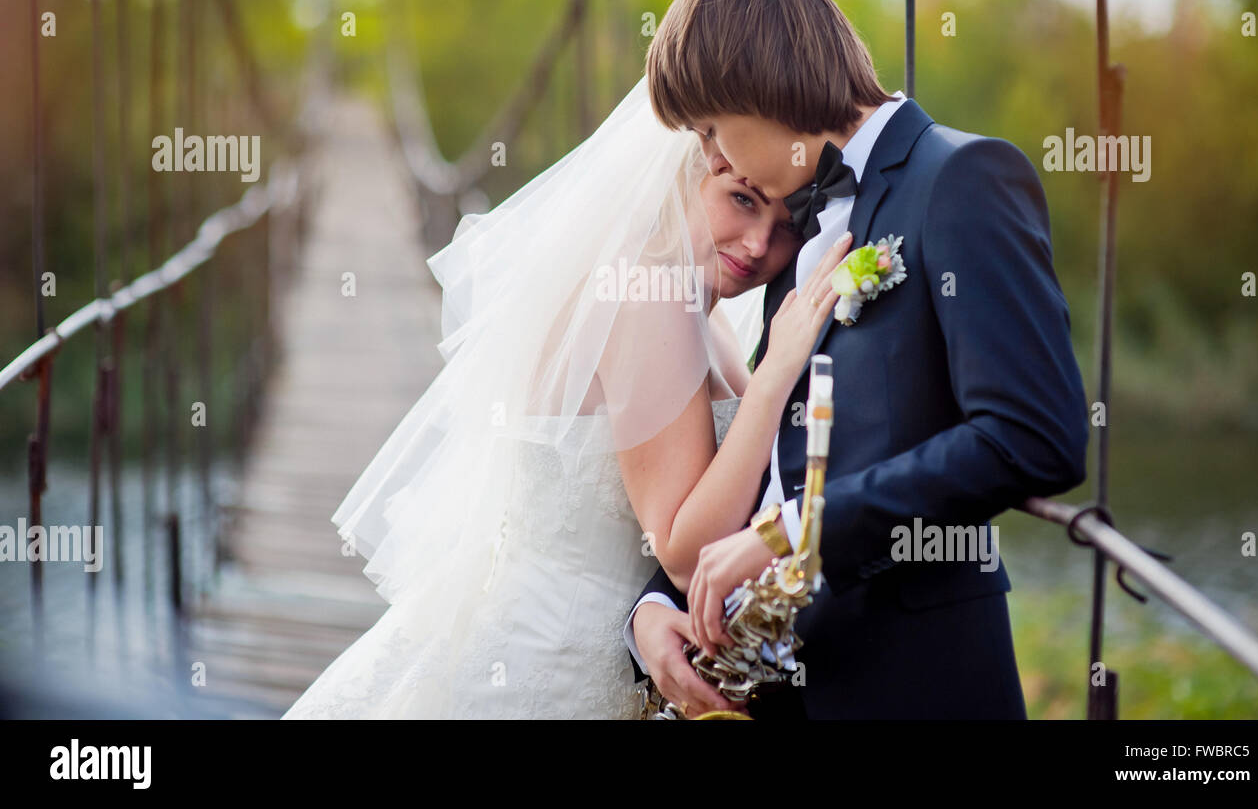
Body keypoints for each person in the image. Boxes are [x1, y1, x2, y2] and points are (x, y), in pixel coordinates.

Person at [282, 75, 845, 718]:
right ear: (686, 169)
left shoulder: (696, 311)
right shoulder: (648, 299)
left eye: (787, 223)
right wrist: (776, 373)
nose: (758, 245)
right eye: (742, 200)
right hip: (550, 670)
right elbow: (686, 554)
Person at [627, 0, 1090, 719]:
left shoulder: (963, 179)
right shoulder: (796, 231)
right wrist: (647, 612)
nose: (710, 157)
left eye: (712, 129)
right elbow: (768, 463)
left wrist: (793, 535)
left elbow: (1033, 432)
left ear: (759, 89)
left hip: (910, 688)